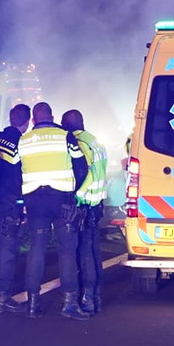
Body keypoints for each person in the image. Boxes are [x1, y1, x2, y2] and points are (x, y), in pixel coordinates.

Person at [17, 102, 88, 319]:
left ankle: (32, 303)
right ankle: (69, 303)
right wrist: (73, 189)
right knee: (67, 249)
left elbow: (14, 168)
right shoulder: (64, 136)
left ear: (34, 119)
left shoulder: (24, 140)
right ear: (51, 116)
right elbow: (81, 165)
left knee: (36, 248)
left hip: (34, 200)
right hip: (61, 199)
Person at [61, 109, 109, 316]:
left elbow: (87, 172)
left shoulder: (78, 143)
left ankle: (87, 299)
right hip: (97, 203)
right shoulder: (95, 141)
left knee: (84, 253)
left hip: (85, 203)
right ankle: (95, 296)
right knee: (93, 252)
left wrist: (78, 196)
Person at [0, 103, 31, 313]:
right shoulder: (22, 144)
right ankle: (3, 297)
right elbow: (21, 177)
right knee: (7, 250)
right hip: (10, 204)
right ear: (27, 122)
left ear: (10, 118)